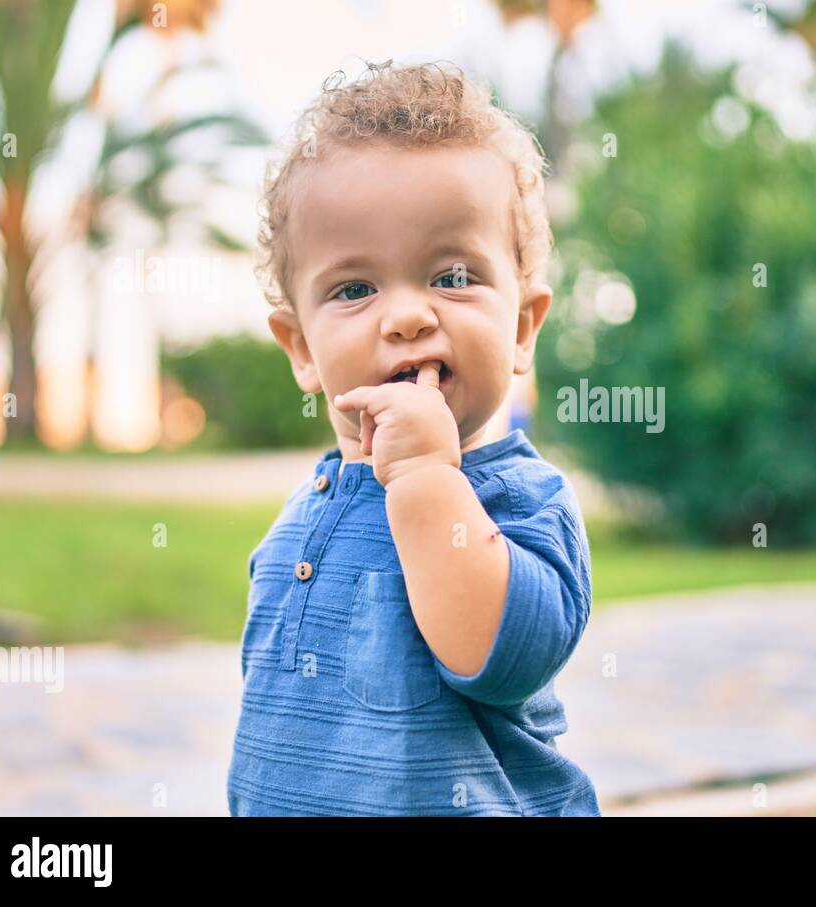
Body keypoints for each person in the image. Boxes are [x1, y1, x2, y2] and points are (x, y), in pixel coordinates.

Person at [226, 60, 599, 816]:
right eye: (354, 289)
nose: (405, 315)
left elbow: (497, 655)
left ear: (523, 326)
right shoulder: (302, 515)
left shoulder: (523, 503)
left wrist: (429, 475)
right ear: (300, 348)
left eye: (453, 275)